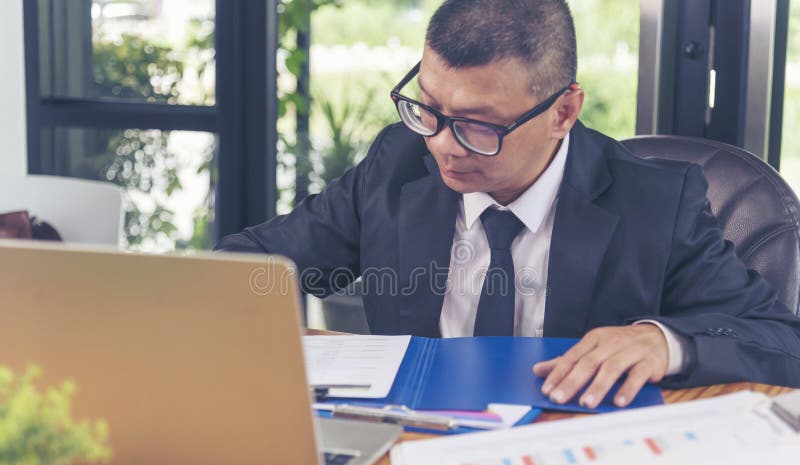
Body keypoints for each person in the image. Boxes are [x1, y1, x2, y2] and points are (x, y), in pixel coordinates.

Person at [216, 0, 800, 407]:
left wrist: (661, 341)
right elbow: (257, 263)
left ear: (563, 112)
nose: (442, 145)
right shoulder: (398, 164)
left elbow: (780, 342)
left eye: (476, 125)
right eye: (428, 107)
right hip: (411, 444)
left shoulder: (656, 204)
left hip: (567, 456)